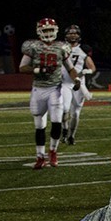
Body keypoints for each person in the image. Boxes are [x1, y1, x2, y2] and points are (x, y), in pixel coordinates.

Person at [19, 17, 79, 169]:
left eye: (50, 30)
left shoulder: (62, 47)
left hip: (55, 89)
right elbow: (22, 67)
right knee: (39, 125)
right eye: (45, 30)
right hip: (38, 89)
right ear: (39, 31)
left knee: (57, 122)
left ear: (56, 31)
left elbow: (71, 68)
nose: (48, 33)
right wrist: (38, 70)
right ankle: (40, 156)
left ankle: (53, 151)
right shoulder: (32, 46)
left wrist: (76, 79)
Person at [60, 24, 95, 145]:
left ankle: (71, 136)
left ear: (79, 35)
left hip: (79, 83)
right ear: (66, 35)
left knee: (75, 113)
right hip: (64, 82)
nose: (72, 35)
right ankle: (64, 129)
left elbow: (92, 67)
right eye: (70, 33)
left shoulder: (84, 49)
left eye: (75, 33)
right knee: (64, 109)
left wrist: (87, 71)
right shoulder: (60, 47)